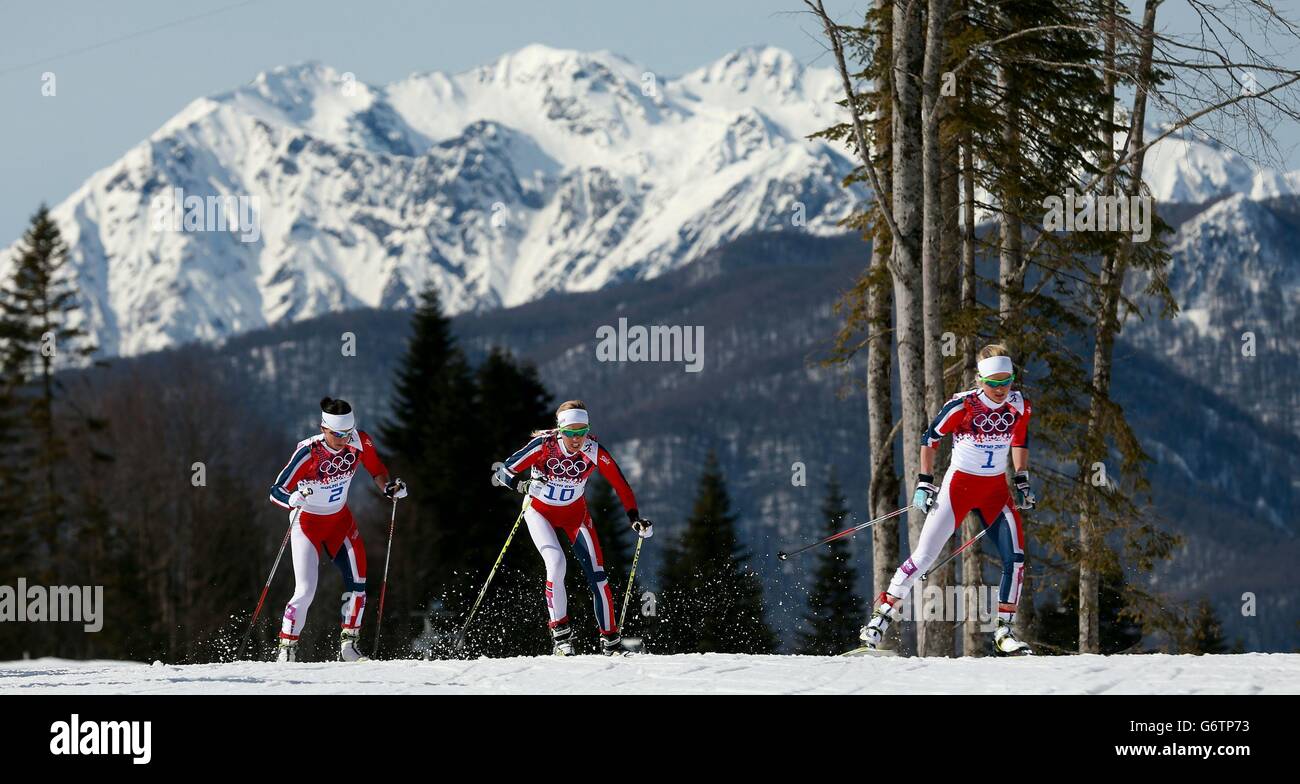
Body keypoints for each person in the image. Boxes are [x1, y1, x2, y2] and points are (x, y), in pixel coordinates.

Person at [861, 344, 1036, 656]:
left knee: (1016, 559)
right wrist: (924, 483)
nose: (1000, 390)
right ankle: (878, 621)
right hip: (959, 488)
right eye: (993, 384)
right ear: (981, 381)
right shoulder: (962, 406)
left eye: (1006, 382)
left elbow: (1020, 438)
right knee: (924, 556)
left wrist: (1021, 477)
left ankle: (1004, 632)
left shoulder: (1019, 405)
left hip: (995, 491)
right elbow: (930, 439)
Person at [492, 400, 652, 656]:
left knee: (599, 577)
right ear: (560, 430)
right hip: (539, 513)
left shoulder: (594, 450)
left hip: (575, 517)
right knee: (556, 564)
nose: (577, 439)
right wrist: (522, 487)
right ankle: (561, 638)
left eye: (582, 432)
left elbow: (621, 486)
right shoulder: (543, 446)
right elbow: (503, 471)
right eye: (570, 433)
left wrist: (634, 517)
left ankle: (611, 642)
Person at [269, 397, 407, 662]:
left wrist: (389, 489)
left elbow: (377, 470)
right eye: (337, 434)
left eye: (348, 432)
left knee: (358, 583)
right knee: (306, 590)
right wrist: (290, 499)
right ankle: (287, 649)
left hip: (340, 522)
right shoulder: (308, 452)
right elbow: (275, 490)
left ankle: (349, 646)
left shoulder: (360, 441)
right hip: (307, 524)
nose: (344, 439)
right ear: (323, 429)